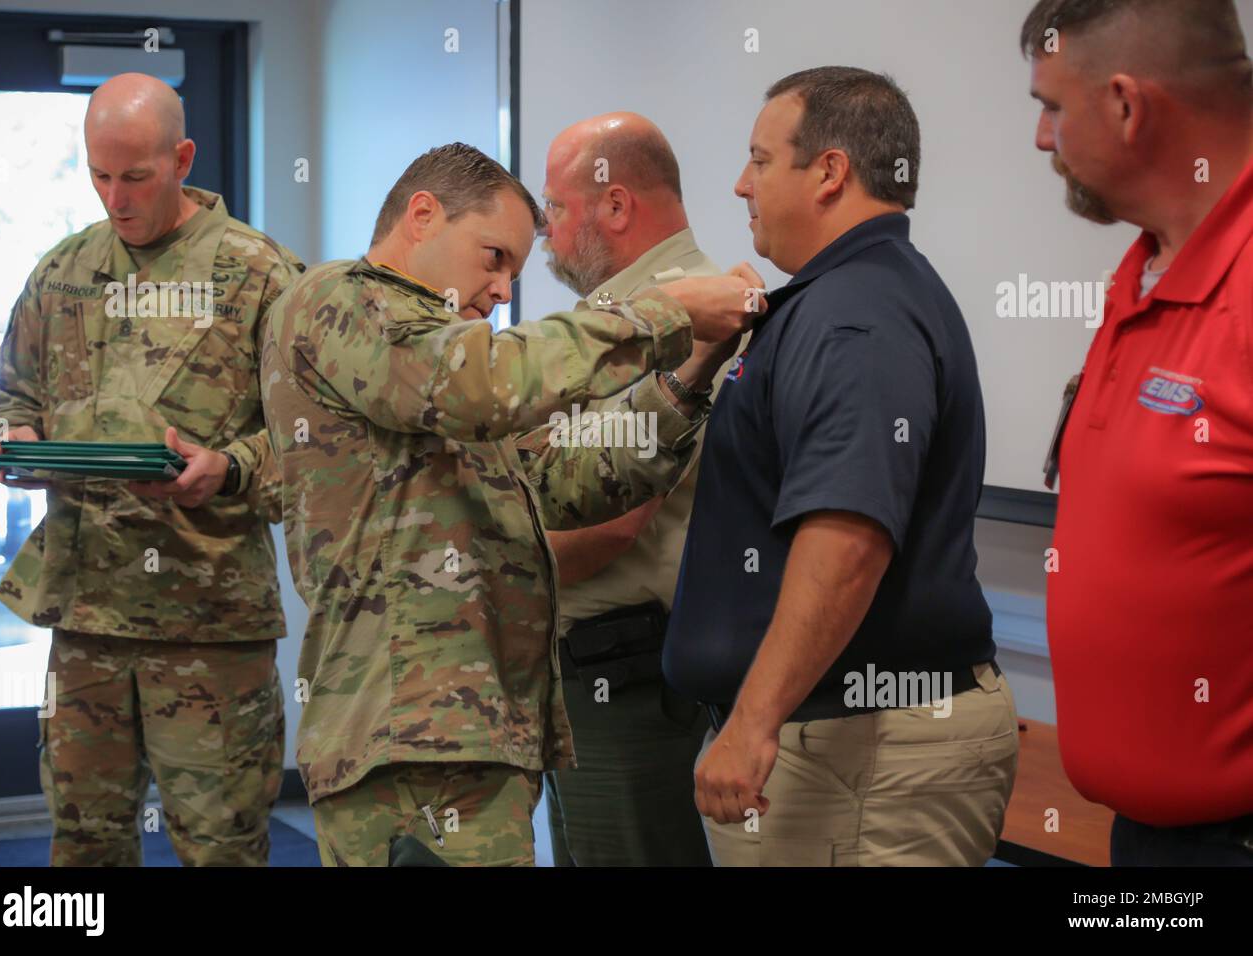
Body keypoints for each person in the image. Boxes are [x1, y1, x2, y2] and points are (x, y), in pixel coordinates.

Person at [260, 142, 759, 866]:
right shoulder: (340, 300)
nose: (500, 290)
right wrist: (663, 312)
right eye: (493, 257)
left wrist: (689, 377)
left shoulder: (450, 366)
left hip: (477, 724)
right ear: (423, 215)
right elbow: (480, 383)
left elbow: (571, 483)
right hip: (406, 729)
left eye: (514, 273)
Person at [664, 67, 1018, 866]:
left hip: (858, 750)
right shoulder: (847, 296)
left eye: (759, 160)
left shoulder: (855, 313)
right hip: (838, 740)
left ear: (829, 171)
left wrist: (752, 723)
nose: (739, 184)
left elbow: (848, 537)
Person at [0, 73, 303, 866]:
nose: (114, 199)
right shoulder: (63, 273)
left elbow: (315, 442)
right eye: (98, 175)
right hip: (84, 617)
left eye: (135, 176)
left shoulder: (260, 276)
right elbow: (8, 396)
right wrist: (11, 442)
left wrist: (227, 468)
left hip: (209, 625)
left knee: (220, 846)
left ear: (183, 158)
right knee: (83, 846)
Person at [1023, 0, 1253, 865]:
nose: (1043, 139)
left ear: (1127, 105)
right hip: (1147, 841)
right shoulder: (1147, 269)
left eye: (1052, 105)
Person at [540, 112, 738, 867]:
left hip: (626, 685)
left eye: (556, 209)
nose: (544, 232)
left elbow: (611, 518)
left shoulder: (673, 318)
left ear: (616, 205)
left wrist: (474, 573)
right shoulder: (633, 315)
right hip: (599, 675)